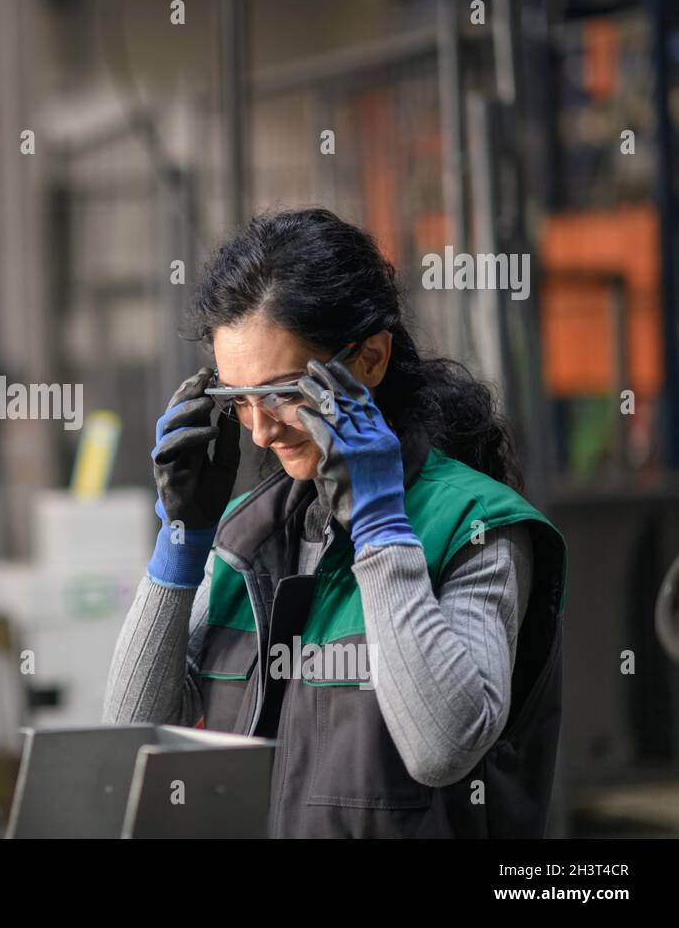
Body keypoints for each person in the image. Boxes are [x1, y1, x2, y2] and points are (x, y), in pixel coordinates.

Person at [103, 208, 567, 838]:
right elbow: (132, 737)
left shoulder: (474, 528)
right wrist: (179, 546)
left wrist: (380, 531)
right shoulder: (247, 537)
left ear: (370, 360)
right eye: (237, 400)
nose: (262, 431)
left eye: (284, 392)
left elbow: (442, 748)